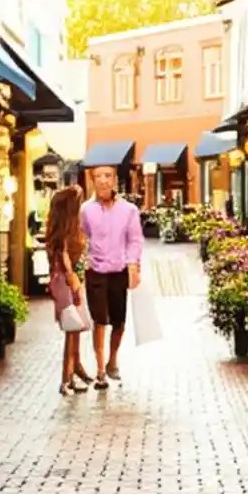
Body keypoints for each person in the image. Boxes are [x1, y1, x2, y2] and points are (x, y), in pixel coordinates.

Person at [80, 165, 142, 390]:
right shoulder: (86, 210)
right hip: (95, 271)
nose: (103, 181)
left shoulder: (129, 210)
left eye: (107, 176)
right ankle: (99, 371)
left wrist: (133, 265)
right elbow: (82, 235)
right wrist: (83, 258)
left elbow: (135, 239)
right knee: (99, 321)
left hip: (119, 271)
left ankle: (112, 359)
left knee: (119, 322)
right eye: (98, 177)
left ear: (115, 180)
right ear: (92, 181)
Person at [45, 185, 93, 395]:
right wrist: (73, 276)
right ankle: (66, 379)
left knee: (75, 328)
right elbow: (64, 256)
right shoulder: (66, 232)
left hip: (69, 280)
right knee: (72, 329)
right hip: (66, 280)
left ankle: (73, 373)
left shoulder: (67, 228)